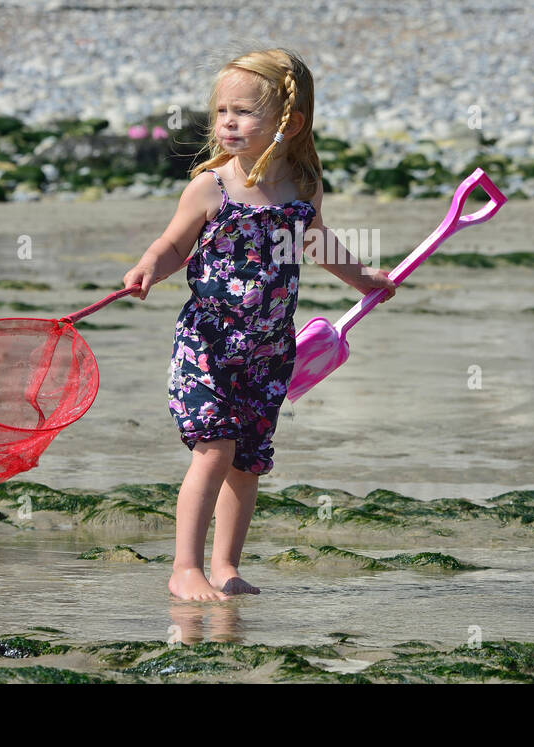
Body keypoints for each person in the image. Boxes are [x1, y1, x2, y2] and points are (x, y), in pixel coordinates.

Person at [124, 49, 397, 602]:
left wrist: (362, 277)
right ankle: (184, 568)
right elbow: (175, 242)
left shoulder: (302, 187)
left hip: (270, 350)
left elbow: (317, 241)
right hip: (208, 343)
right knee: (215, 448)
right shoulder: (211, 187)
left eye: (244, 112)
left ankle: (225, 567)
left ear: (289, 124)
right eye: (221, 110)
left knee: (247, 463)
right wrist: (150, 265)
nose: (227, 122)